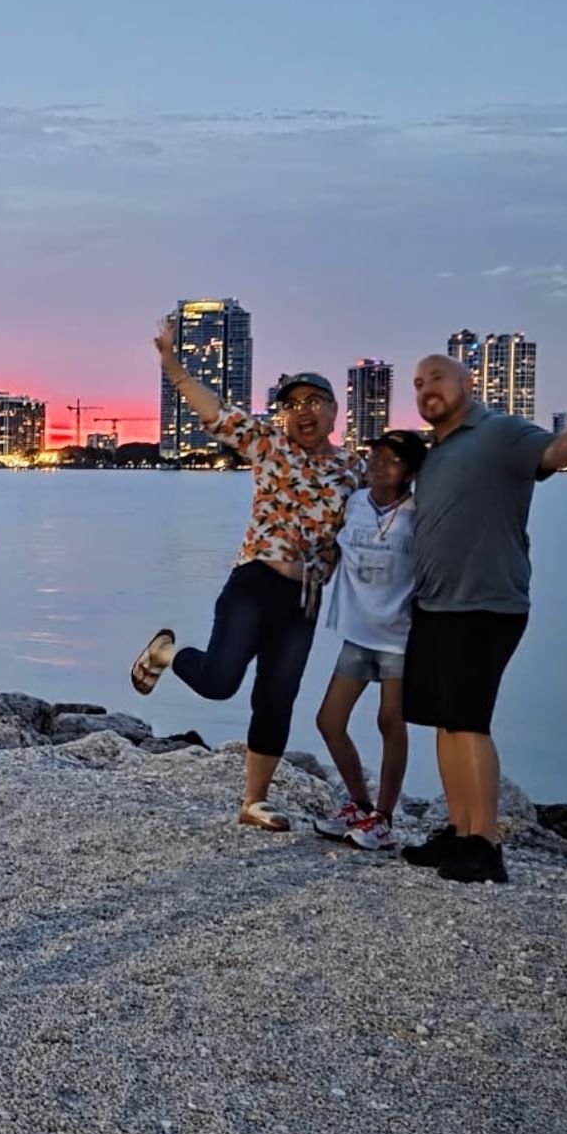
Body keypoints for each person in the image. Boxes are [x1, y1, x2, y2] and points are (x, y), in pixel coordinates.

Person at [132, 318, 363, 829]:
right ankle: (168, 651)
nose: (302, 412)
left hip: (304, 600)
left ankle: (253, 801)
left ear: (333, 411)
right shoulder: (268, 446)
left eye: (313, 402)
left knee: (277, 699)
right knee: (219, 683)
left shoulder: (355, 472)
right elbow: (213, 412)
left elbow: (388, 520)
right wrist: (171, 365)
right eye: (292, 404)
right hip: (254, 584)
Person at [400, 353, 567, 884]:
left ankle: (485, 844)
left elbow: (559, 453)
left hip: (486, 604)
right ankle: (458, 826)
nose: (426, 390)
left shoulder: (502, 432)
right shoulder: (435, 451)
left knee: (469, 721)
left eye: (437, 378)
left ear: (468, 383)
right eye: (418, 384)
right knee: (443, 722)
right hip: (434, 604)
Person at [312, 430, 427, 852]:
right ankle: (359, 804)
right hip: (358, 633)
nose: (380, 463)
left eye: (392, 459)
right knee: (329, 721)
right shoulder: (354, 503)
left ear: (411, 471)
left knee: (389, 722)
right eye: (375, 455)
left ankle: (384, 818)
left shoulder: (421, 512)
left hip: (400, 635)